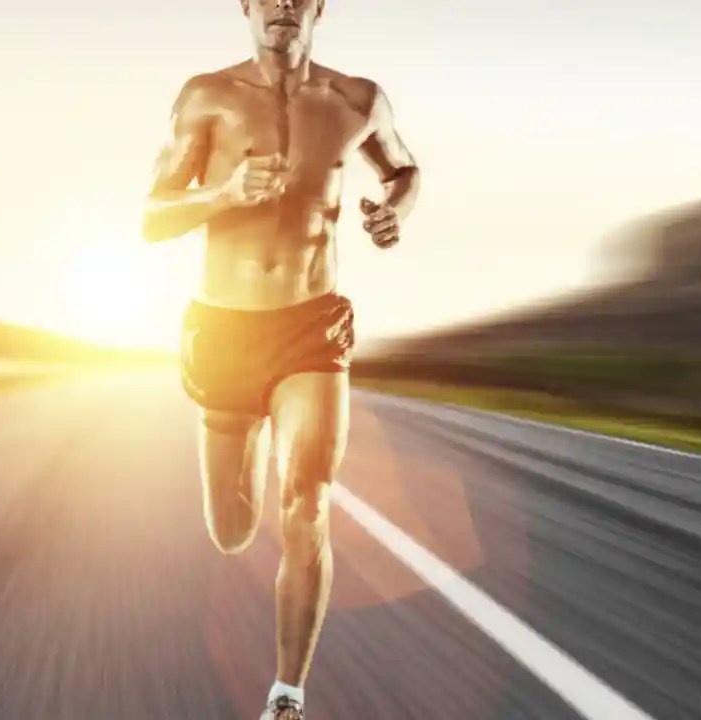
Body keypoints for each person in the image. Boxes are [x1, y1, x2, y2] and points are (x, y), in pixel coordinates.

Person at [141, 0, 419, 717]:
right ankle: (252, 432)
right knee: (232, 530)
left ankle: (287, 695)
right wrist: (226, 193)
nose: (282, 7)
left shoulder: (357, 98)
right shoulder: (207, 97)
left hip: (311, 327)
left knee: (307, 503)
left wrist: (397, 209)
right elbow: (152, 217)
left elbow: (404, 168)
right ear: (245, 6)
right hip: (226, 330)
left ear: (320, 7)